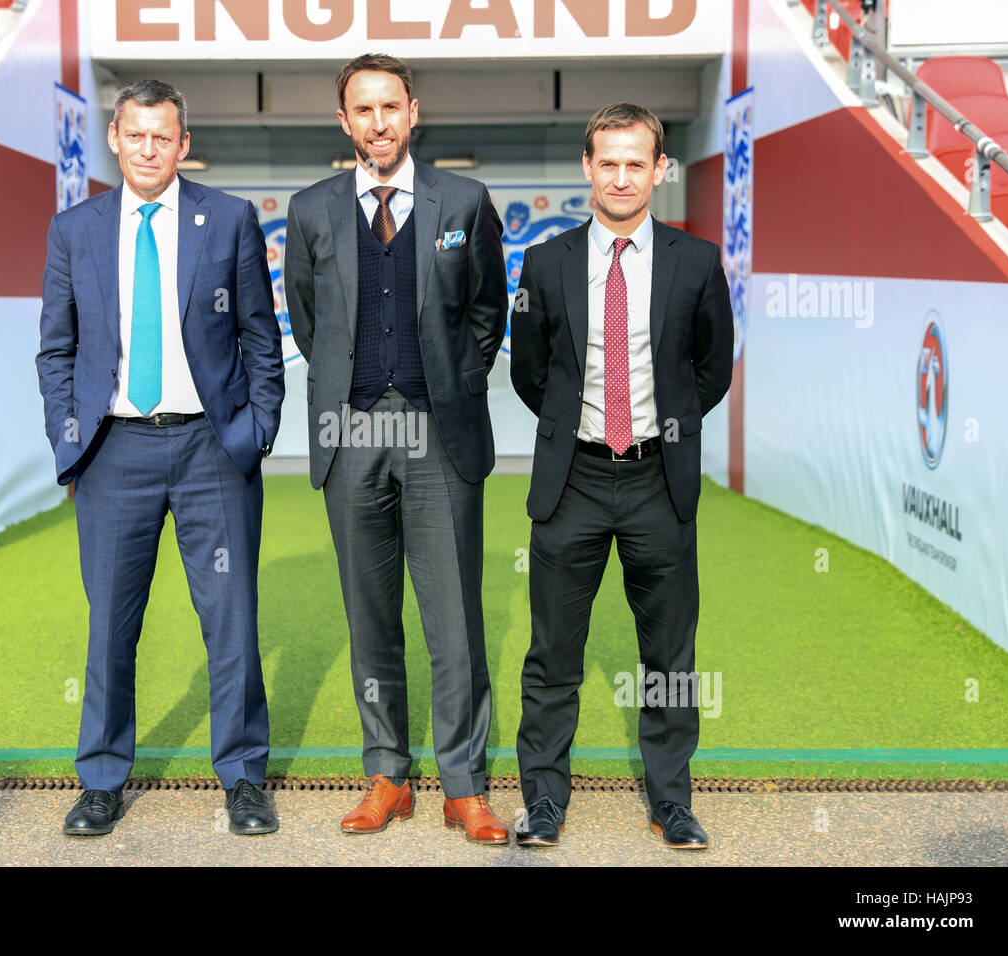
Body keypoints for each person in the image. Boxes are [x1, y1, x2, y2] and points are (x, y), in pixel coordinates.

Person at [36, 79, 285, 837]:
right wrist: (72, 444)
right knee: (110, 624)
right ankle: (103, 781)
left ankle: (243, 779)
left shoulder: (231, 220)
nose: (148, 149)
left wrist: (252, 433)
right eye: (135, 135)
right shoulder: (74, 229)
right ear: (115, 138)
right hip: (116, 453)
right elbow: (57, 349)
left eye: (163, 137)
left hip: (214, 448)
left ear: (183, 143)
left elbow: (260, 341)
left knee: (232, 622)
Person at [284, 53, 510, 844]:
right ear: (344, 122)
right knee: (370, 617)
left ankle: (464, 786)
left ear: (414, 110)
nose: (378, 122)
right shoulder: (311, 210)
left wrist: (447, 385)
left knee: (454, 622)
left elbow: (488, 315)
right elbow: (309, 325)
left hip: (437, 436)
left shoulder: (466, 200)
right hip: (350, 433)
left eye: (390, 106)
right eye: (362, 110)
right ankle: (387, 773)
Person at [508, 102, 733, 849]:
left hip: (656, 482)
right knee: (552, 656)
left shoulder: (696, 262)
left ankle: (672, 802)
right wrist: (577, 432)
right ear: (587, 167)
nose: (622, 176)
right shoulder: (546, 263)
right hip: (570, 478)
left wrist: (661, 433)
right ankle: (542, 802)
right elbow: (532, 371)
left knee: (669, 656)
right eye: (609, 161)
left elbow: (710, 368)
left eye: (637, 162)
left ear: (660, 170)